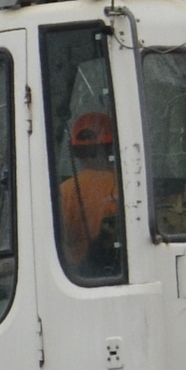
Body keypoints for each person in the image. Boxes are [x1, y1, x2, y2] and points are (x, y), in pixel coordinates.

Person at [56, 110, 125, 278]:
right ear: (112, 149)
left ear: (75, 153)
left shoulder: (64, 193)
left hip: (77, 278)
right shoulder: (128, 189)